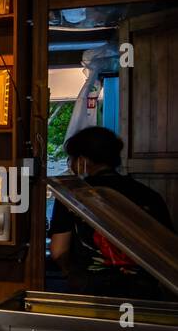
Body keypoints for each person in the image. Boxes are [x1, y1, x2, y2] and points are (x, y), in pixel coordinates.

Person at [50, 125, 174, 300]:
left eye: (72, 158)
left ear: (83, 160)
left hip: (89, 291)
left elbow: (58, 251)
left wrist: (69, 272)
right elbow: (167, 251)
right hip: (142, 293)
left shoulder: (73, 195)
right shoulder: (149, 196)